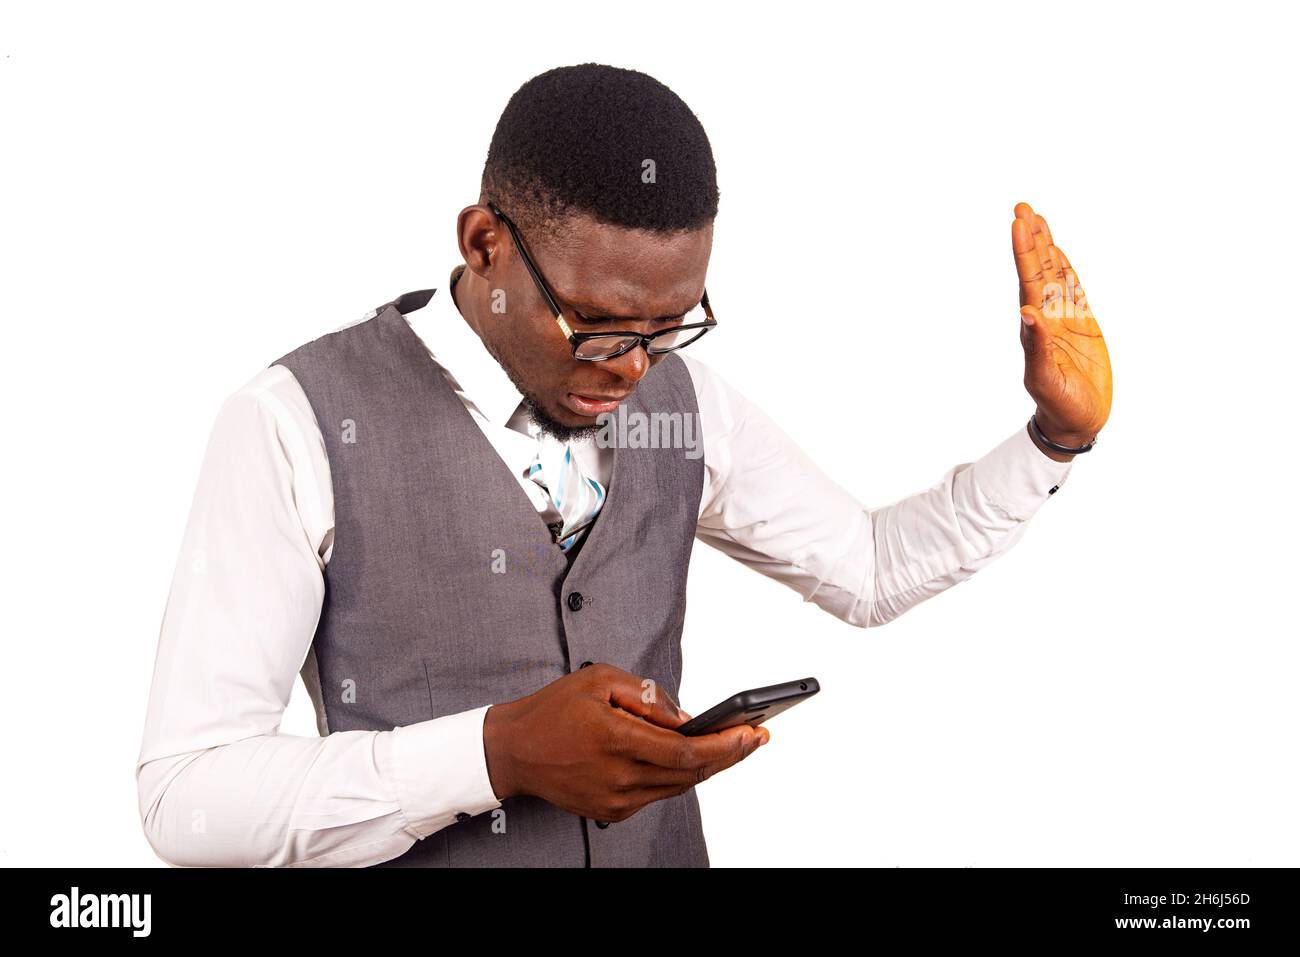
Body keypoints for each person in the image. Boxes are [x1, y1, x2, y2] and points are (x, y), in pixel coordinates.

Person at [136, 63, 1113, 868]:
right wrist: (494, 753)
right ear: (485, 244)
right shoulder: (294, 420)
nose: (635, 368)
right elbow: (187, 797)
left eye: (669, 324)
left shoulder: (683, 402)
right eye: (597, 325)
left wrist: (1051, 440)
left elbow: (866, 567)